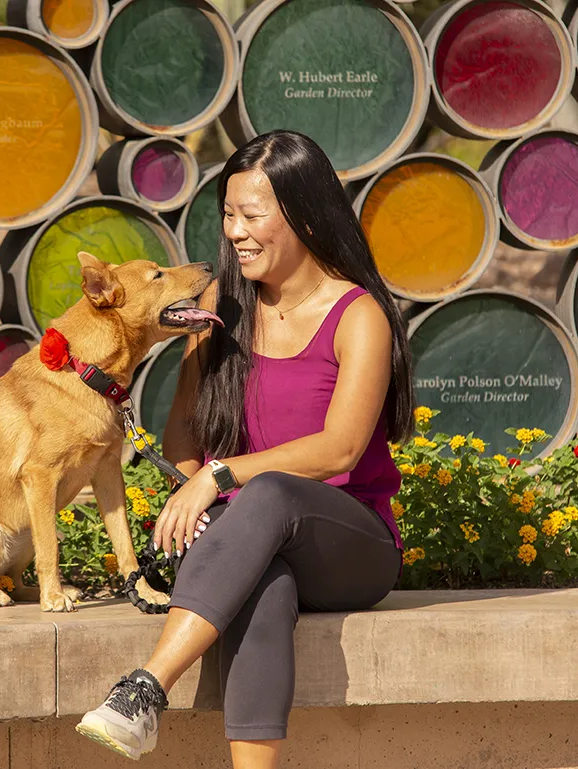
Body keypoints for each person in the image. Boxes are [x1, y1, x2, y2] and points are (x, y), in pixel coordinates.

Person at [76, 129, 415, 768]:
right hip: (255, 534)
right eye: (228, 215)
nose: (235, 231)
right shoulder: (216, 306)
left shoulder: (358, 314)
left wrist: (219, 477)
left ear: (306, 216)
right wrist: (192, 494)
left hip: (351, 545)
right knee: (264, 586)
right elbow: (183, 432)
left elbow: (340, 449)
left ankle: (146, 687)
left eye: (252, 216)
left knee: (269, 492)